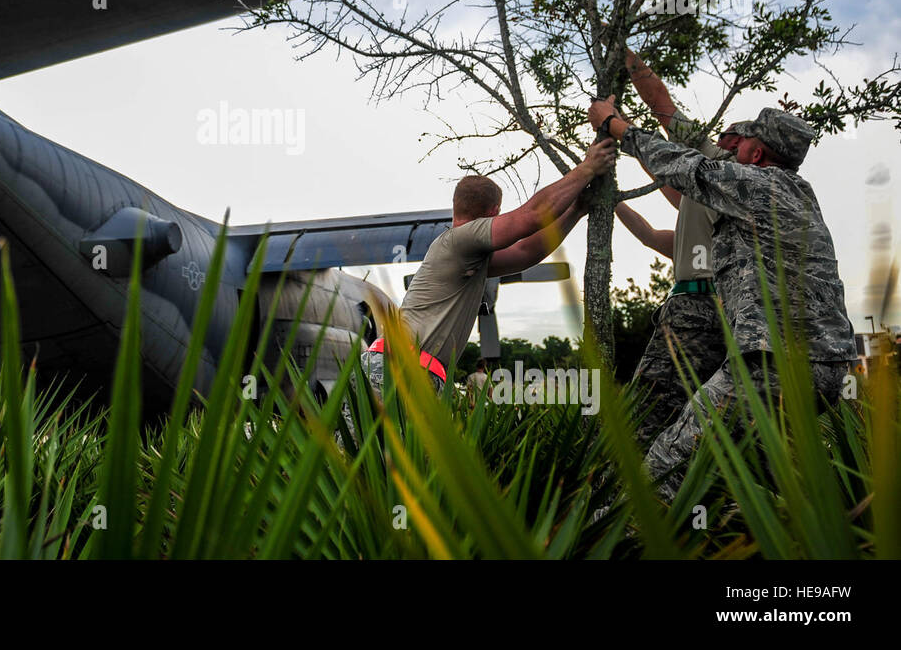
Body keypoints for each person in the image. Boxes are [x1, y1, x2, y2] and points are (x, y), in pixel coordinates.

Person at [587, 97, 855, 500]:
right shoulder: (800, 194)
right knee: (743, 469)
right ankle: (788, 532)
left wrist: (614, 125)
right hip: (828, 370)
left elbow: (681, 165)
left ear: (757, 152)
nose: (735, 144)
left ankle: (609, 537)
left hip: (772, 367)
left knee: (665, 467)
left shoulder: (754, 184)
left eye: (745, 140)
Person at [357, 139, 617, 403]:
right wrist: (588, 168)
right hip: (401, 368)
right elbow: (533, 216)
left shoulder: (466, 255)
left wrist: (576, 210)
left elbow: (526, 252)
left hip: (402, 367)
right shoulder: (462, 238)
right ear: (493, 212)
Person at [614, 47, 742, 443]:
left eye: (726, 138)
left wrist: (621, 52)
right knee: (709, 424)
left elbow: (661, 104)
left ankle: (630, 496)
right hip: (719, 314)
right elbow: (661, 199)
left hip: (697, 311)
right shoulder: (708, 200)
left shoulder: (725, 170)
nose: (715, 139)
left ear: (738, 146)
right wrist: (613, 199)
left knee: (646, 416)